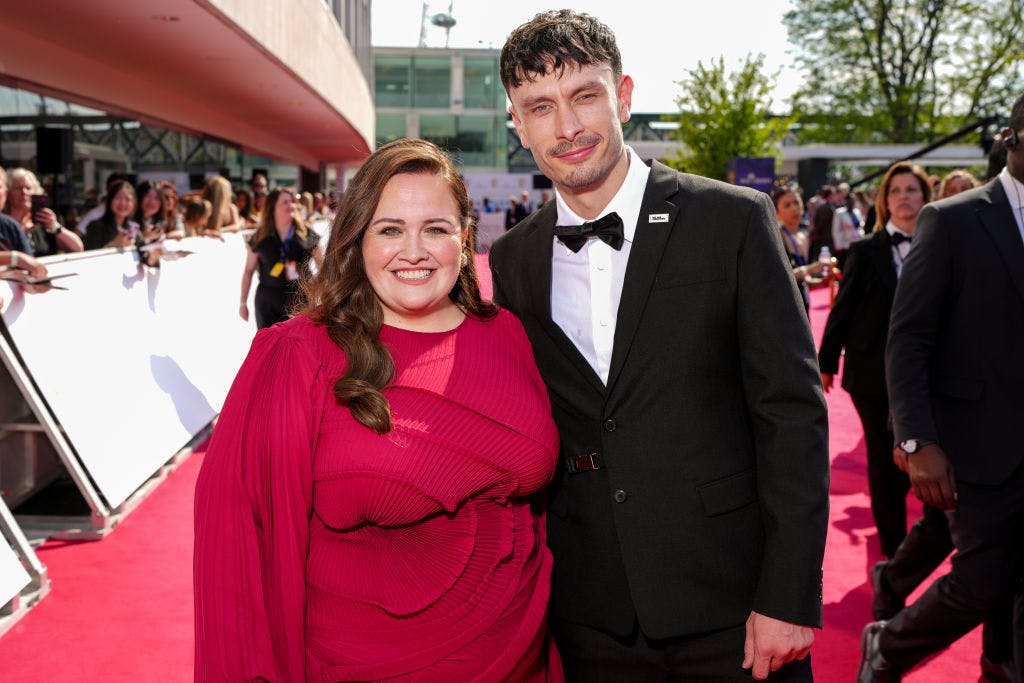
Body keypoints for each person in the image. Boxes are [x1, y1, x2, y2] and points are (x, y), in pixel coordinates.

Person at [490, 11, 829, 681]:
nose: (567, 126)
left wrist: (788, 593)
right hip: (592, 616)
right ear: (517, 123)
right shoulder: (513, 259)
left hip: (734, 604)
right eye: (540, 107)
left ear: (623, 95)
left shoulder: (730, 219)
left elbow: (791, 412)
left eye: (585, 95)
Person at [194, 137, 562, 681]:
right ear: (356, 239)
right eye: (390, 229)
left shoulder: (507, 333)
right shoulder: (296, 355)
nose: (413, 251)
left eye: (435, 229)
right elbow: (238, 546)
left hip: (522, 661)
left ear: (463, 240)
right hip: (364, 664)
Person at [858, 92, 1024, 683]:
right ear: (1016, 138)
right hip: (975, 440)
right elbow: (909, 338)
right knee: (982, 578)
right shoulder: (953, 218)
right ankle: (890, 646)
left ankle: (1000, 663)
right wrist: (915, 440)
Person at [819, 162, 932, 560]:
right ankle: (892, 557)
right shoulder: (867, 250)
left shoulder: (944, 246)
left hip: (930, 376)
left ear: (925, 196)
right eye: (896, 190)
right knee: (885, 467)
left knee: (925, 461)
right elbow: (843, 309)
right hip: (872, 376)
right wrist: (827, 361)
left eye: (912, 189)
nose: (904, 197)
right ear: (884, 200)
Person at [238, 188, 323, 329]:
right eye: (285, 202)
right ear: (272, 208)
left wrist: (318, 293)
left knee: (299, 347)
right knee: (271, 347)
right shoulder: (260, 236)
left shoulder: (306, 234)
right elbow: (249, 270)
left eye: (292, 202)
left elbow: (323, 267)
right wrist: (243, 303)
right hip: (268, 304)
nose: (292, 206)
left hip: (300, 302)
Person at [772, 186, 828, 313]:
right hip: (782, 305)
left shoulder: (804, 236)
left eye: (796, 202)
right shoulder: (776, 237)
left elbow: (802, 279)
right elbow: (777, 278)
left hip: (802, 301)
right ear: (777, 212)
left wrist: (819, 281)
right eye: (787, 205)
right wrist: (809, 269)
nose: (794, 208)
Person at [3, 168, 83, 256]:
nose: (24, 192)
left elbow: (77, 248)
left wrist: (54, 227)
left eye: (28, 188)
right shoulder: (3, 224)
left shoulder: (43, 221)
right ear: (7, 192)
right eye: (18, 188)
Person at [83, 180, 138, 250]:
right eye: (118, 198)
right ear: (110, 201)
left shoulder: (133, 228)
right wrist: (113, 244)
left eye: (127, 199)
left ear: (134, 203)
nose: (123, 203)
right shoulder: (96, 226)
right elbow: (88, 256)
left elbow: (143, 253)